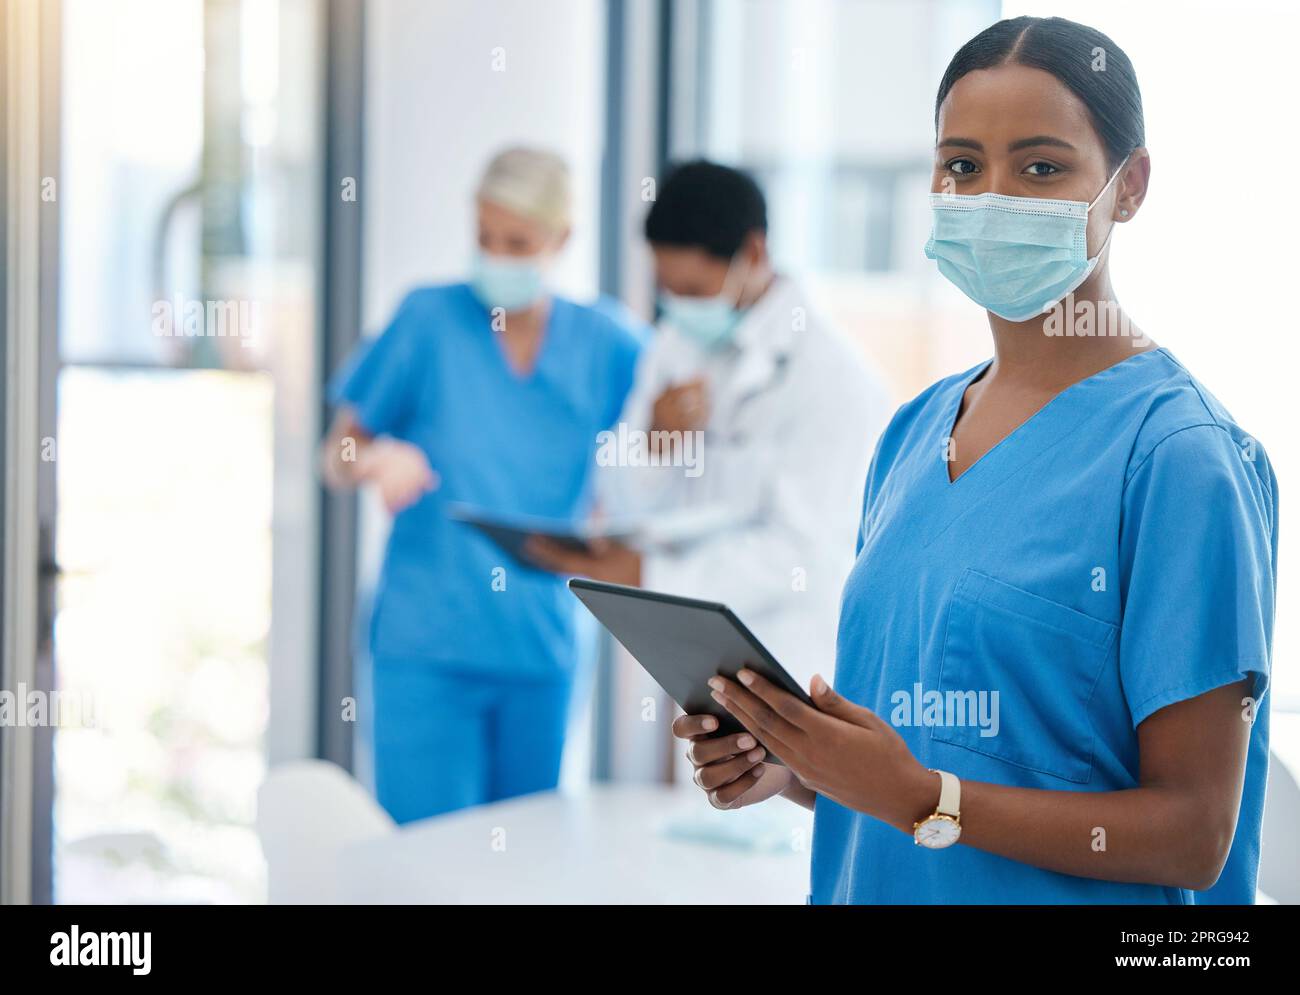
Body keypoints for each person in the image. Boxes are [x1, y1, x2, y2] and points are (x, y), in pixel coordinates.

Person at [673, 16, 1278, 904]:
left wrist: (925, 798)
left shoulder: (1180, 461)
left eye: (1040, 167)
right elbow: (927, 775)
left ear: (1130, 186)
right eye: (962, 165)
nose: (992, 196)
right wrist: (795, 767)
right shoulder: (914, 432)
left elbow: (1194, 834)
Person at [322, 147, 643, 824]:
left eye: (518, 242)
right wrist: (375, 458)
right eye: (485, 238)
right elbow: (337, 450)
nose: (497, 256)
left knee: (520, 867)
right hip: (427, 643)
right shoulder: (427, 321)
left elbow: (672, 421)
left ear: (562, 239)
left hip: (539, 648)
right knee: (427, 867)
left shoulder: (607, 342)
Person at [528, 161, 891, 688]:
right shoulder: (673, 346)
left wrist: (650, 577)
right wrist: (654, 443)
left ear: (753, 254)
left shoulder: (831, 379)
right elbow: (630, 503)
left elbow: (804, 556)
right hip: (696, 652)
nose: (679, 307)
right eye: (667, 290)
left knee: (774, 771)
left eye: (695, 291)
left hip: (789, 659)